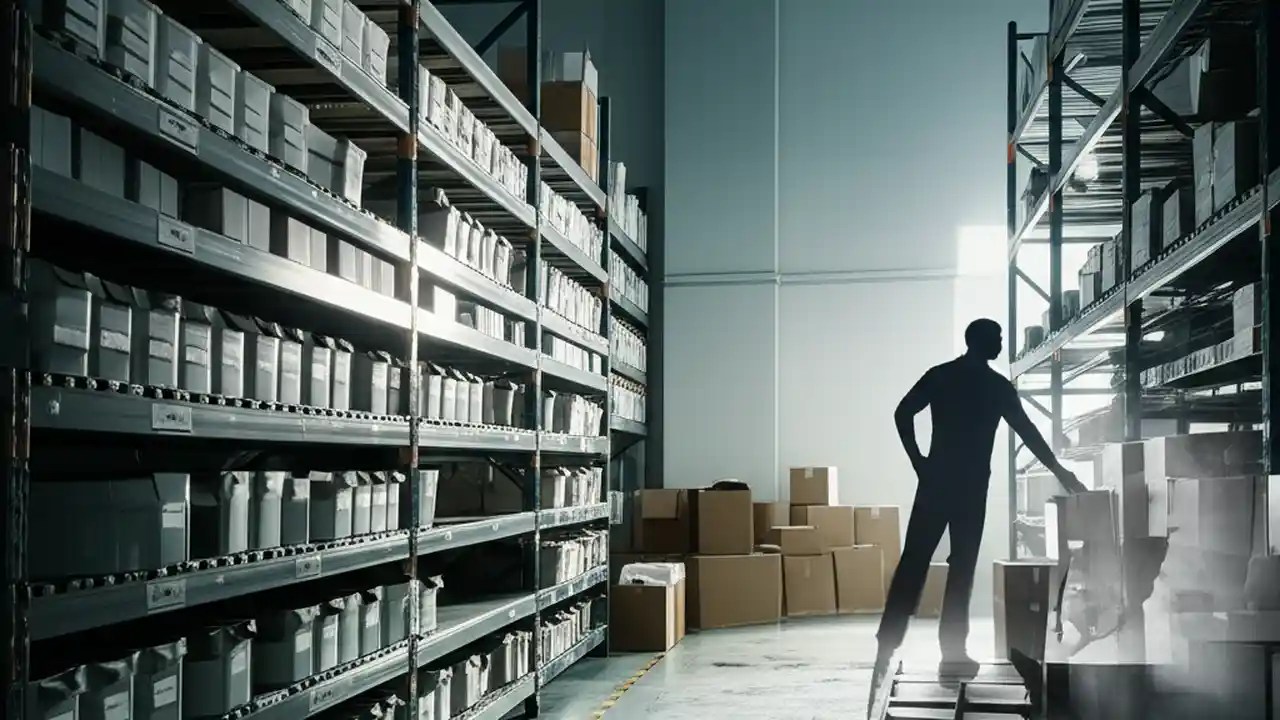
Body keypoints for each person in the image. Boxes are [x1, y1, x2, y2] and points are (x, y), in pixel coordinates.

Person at [870, 318, 1084, 699]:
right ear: (981, 341)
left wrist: (920, 461)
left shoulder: (941, 376)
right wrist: (1059, 470)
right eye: (997, 338)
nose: (1001, 343)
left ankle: (887, 645)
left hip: (935, 482)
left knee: (915, 559)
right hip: (970, 488)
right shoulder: (996, 387)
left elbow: (902, 413)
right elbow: (1028, 432)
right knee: (961, 569)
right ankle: (952, 652)